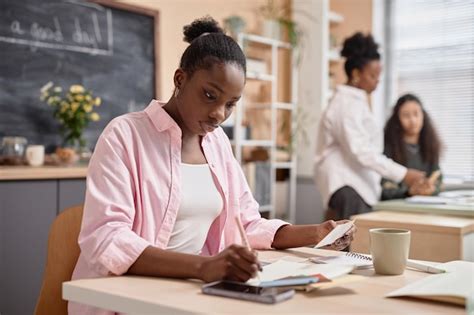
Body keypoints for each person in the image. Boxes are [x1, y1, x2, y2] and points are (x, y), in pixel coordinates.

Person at [69, 17, 356, 314]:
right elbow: (107, 239)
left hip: (190, 294)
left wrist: (315, 234)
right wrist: (204, 266)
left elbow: (245, 222)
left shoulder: (218, 144)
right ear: (180, 79)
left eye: (231, 103)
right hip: (128, 300)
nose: (219, 114)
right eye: (210, 95)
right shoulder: (125, 135)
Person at [314, 32, 425, 221]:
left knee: (359, 246)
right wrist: (404, 174)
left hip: (357, 184)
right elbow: (361, 151)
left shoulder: (357, 102)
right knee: (355, 248)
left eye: (379, 76)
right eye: (373, 75)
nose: (377, 81)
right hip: (345, 183)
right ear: (356, 73)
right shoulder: (345, 104)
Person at [381, 94, 442, 200]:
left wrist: (430, 189)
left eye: (416, 114)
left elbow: (437, 177)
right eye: (406, 115)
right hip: (395, 207)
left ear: (423, 115)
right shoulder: (386, 147)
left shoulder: (430, 146)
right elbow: (385, 189)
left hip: (425, 206)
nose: (413, 120)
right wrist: (408, 192)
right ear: (397, 119)